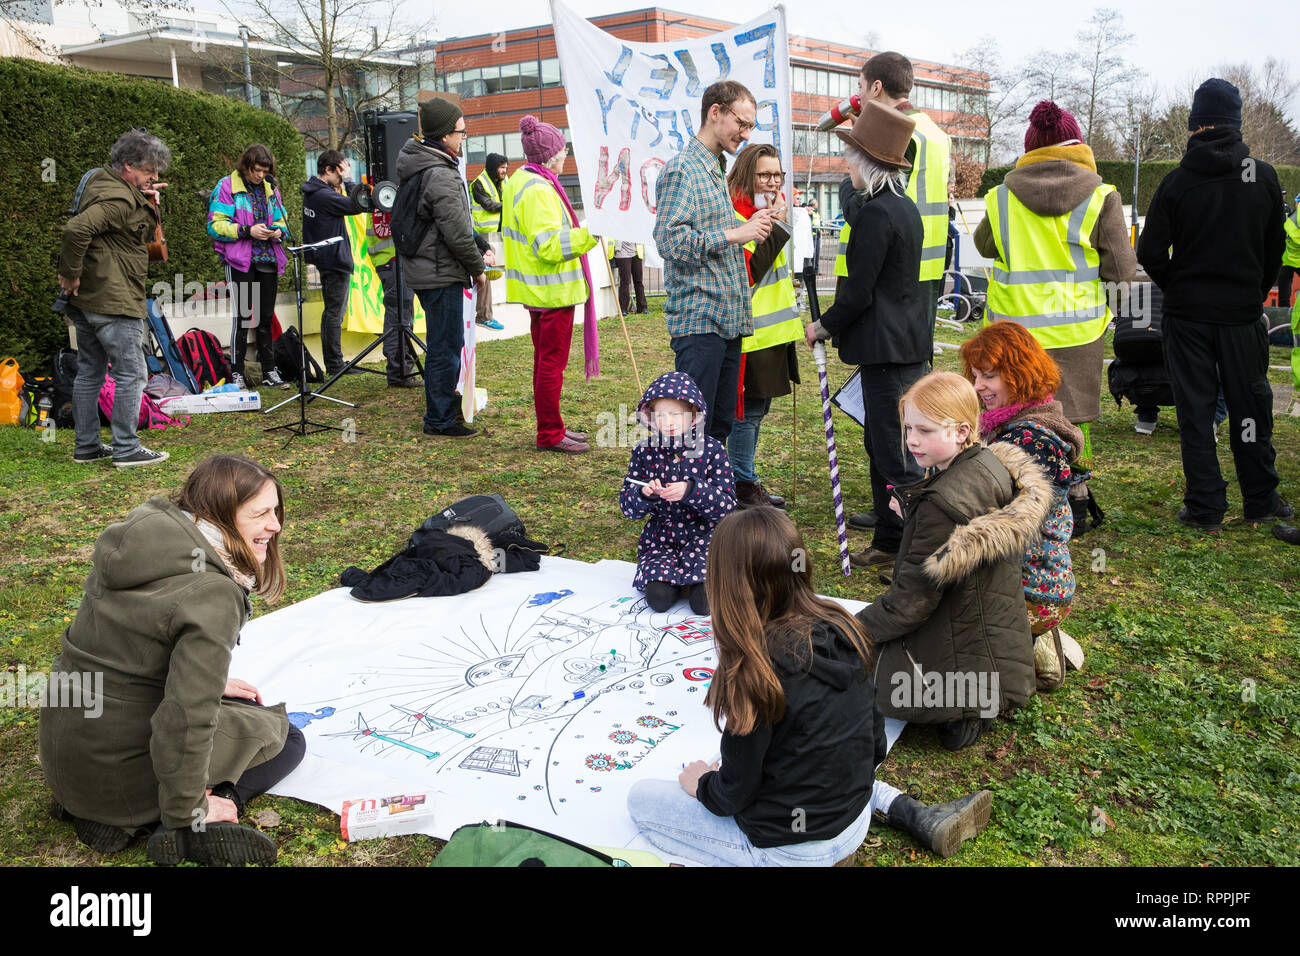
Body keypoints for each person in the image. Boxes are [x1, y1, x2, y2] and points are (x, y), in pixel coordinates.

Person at [626, 507, 994, 865]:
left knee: (641, 799)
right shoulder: (842, 627)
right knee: (817, 762)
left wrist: (702, 783)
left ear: (728, 584)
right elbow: (874, 744)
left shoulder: (754, 668)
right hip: (851, 822)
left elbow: (732, 796)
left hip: (791, 849)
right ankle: (899, 811)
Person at [40, 455, 306, 865]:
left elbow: (125, 656)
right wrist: (189, 810)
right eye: (261, 514)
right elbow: (186, 715)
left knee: (232, 704)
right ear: (220, 515)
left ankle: (99, 811)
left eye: (276, 511)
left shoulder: (141, 542)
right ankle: (188, 821)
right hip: (121, 773)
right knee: (285, 736)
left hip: (68, 763)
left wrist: (214, 685)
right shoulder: (212, 592)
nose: (276, 526)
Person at [856, 372, 1049, 751]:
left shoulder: (941, 505)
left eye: (925, 430)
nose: (911, 440)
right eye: (908, 427)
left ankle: (967, 709)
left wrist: (848, 630)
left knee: (867, 679)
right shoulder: (990, 463)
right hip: (994, 631)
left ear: (962, 431)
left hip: (967, 641)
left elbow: (908, 605)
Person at [976, 101, 1137, 534]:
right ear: (1077, 144)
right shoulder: (1103, 196)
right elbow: (1121, 270)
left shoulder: (1000, 196)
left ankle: (1016, 491)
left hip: (1014, 332)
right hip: (1077, 329)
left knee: (1012, 413)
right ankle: (1075, 499)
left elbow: (986, 246)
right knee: (1072, 415)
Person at [1137, 78, 1290, 533]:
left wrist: (1179, 285)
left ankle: (1206, 506)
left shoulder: (1178, 182)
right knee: (1249, 407)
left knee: (1197, 411)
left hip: (1189, 317)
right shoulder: (1260, 176)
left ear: (1194, 125)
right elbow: (1274, 250)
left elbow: (1149, 253)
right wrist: (1253, 290)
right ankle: (1260, 498)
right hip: (1241, 316)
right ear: (1235, 122)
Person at [805, 101, 928, 571]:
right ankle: (890, 539)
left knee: (898, 457)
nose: (846, 166)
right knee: (882, 446)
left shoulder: (878, 214)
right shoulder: (902, 207)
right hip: (898, 347)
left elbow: (859, 291)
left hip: (890, 350)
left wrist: (824, 324)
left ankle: (918, 554)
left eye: (852, 158)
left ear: (869, 164)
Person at [960, 322, 1085, 691]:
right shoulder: (1011, 424)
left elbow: (1001, 515)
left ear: (1019, 375)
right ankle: (1027, 643)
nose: (979, 385)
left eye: (990, 376)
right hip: (1030, 578)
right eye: (976, 375)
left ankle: (1027, 647)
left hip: (1031, 588)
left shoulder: (1032, 439)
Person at [653, 79, 777, 442]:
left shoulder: (714, 169)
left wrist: (753, 225)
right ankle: (684, 496)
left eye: (751, 126)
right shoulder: (683, 170)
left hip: (727, 319)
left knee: (717, 426)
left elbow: (710, 235)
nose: (747, 133)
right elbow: (669, 240)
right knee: (692, 429)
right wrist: (736, 234)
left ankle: (712, 496)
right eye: (742, 123)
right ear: (715, 112)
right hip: (700, 321)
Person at [58, 128, 172, 468]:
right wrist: (70, 273)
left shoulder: (98, 180)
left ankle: (87, 446)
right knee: (131, 374)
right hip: (113, 297)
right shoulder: (120, 198)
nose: (154, 176)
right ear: (127, 166)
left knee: (90, 372)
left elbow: (126, 234)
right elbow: (76, 230)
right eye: (149, 170)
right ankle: (126, 448)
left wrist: (148, 199)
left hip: (87, 299)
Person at [838, 53, 952, 370]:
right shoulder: (935, 133)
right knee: (913, 365)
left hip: (888, 267)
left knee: (886, 372)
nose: (857, 95)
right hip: (924, 266)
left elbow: (866, 205)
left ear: (876, 87)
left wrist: (849, 180)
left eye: (860, 86)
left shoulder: (900, 135)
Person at [500, 115, 599, 454]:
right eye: (563, 149)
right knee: (550, 364)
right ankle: (550, 433)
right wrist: (590, 235)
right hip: (551, 292)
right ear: (551, 156)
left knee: (546, 362)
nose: (566, 154)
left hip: (540, 291)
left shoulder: (521, 181)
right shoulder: (540, 189)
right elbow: (549, 245)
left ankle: (552, 427)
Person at [396, 96, 491, 439]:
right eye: (462, 132)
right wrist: (478, 267)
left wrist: (479, 245)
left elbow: (455, 224)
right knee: (445, 346)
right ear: (445, 134)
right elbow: (455, 232)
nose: (465, 137)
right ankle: (439, 419)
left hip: (428, 269)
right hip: (439, 271)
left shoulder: (424, 164)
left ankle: (445, 408)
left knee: (444, 343)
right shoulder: (440, 173)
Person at [619, 372, 737, 615]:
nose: (668, 422)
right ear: (649, 417)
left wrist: (692, 491)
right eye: (661, 415)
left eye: (676, 414)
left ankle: (698, 582)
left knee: (703, 605)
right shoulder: (644, 451)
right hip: (661, 540)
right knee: (658, 600)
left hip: (705, 538)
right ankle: (673, 581)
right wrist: (644, 494)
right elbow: (627, 508)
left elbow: (728, 508)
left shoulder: (712, 450)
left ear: (693, 415)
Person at [726, 142, 801, 509]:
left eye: (777, 175)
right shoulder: (740, 214)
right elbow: (749, 274)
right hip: (750, 334)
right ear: (746, 174)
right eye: (765, 175)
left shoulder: (767, 210)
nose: (773, 183)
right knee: (748, 414)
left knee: (759, 411)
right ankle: (742, 484)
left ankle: (744, 477)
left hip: (772, 333)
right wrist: (777, 226)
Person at [208, 143, 289, 390]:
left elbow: (282, 220)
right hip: (240, 261)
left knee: (265, 318)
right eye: (256, 170)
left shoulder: (270, 189)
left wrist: (278, 230)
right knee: (242, 318)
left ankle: (269, 370)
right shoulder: (226, 187)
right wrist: (246, 230)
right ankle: (236, 373)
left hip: (268, 260)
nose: (260, 176)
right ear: (246, 166)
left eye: (265, 172)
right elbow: (215, 225)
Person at [302, 149, 371, 377]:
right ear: (329, 170)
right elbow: (358, 205)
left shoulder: (313, 193)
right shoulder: (324, 196)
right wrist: (351, 181)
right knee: (334, 313)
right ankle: (334, 364)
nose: (342, 180)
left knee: (331, 312)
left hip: (326, 259)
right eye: (340, 174)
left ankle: (333, 361)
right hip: (334, 260)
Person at [365, 206, 419, 387]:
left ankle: (399, 370)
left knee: (400, 314)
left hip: (390, 262)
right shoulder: (385, 196)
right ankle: (399, 372)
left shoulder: (381, 194)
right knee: (399, 316)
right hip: (392, 261)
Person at [470, 152, 507, 331]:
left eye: (506, 167)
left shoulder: (505, 181)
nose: (504, 171)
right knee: (485, 273)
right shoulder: (479, 183)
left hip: (499, 235)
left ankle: (485, 315)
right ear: (493, 167)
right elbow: (489, 205)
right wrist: (510, 204)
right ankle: (484, 315)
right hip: (483, 236)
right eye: (501, 167)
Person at [607, 239, 648, 315]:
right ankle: (623, 309)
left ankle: (642, 308)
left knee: (638, 281)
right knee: (625, 281)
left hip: (636, 253)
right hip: (622, 254)